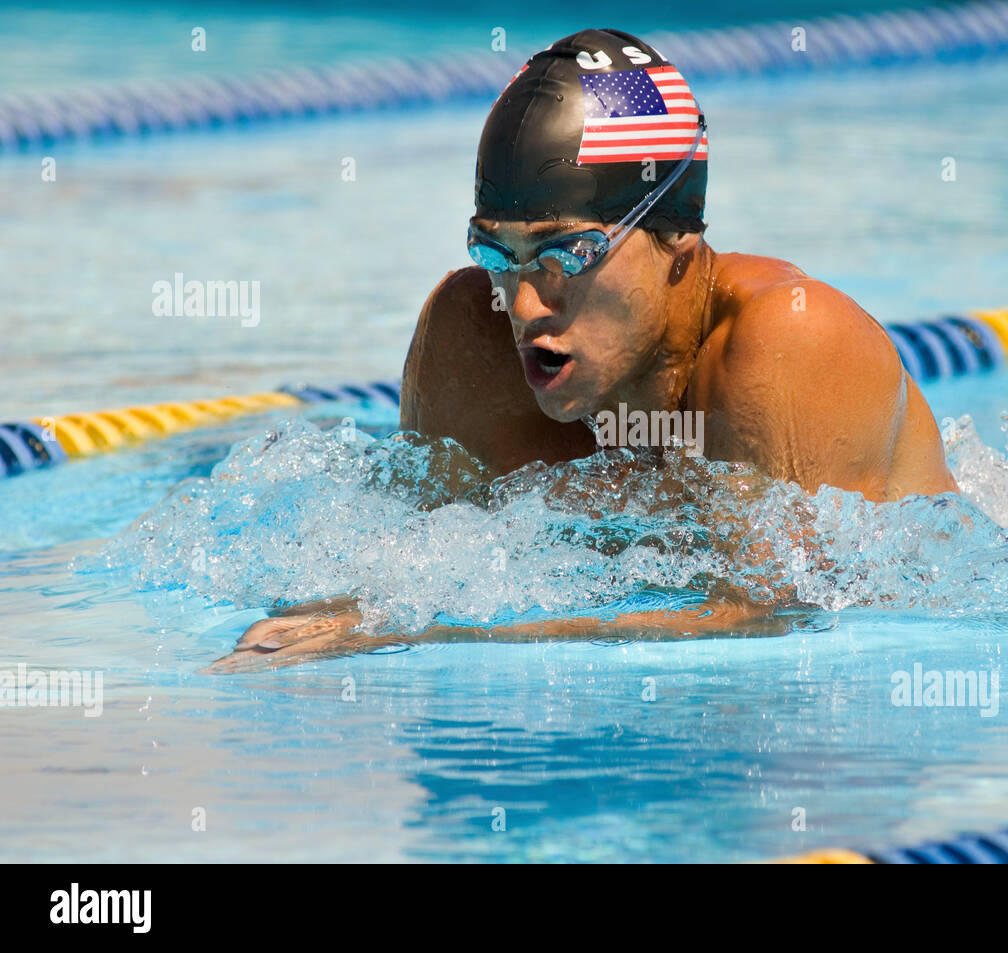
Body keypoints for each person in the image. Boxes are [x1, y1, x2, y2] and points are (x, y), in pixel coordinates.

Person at [207, 29, 957, 673]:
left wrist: (424, 634)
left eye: (567, 253)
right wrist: (326, 616)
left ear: (676, 239)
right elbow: (409, 566)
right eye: (498, 253)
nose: (524, 303)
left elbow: (773, 623)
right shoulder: (469, 340)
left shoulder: (789, 341)